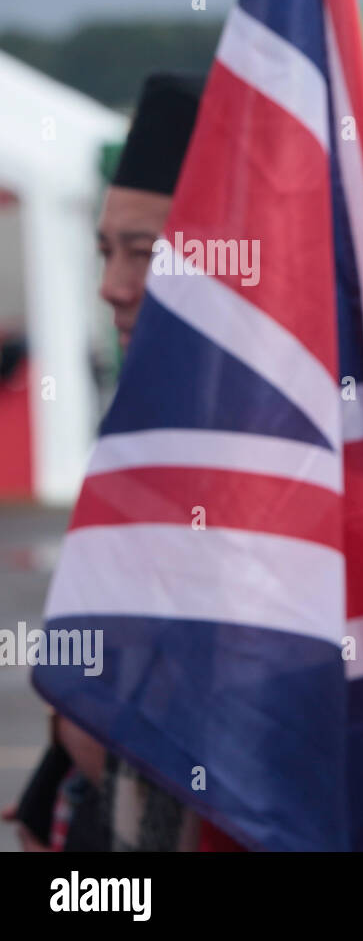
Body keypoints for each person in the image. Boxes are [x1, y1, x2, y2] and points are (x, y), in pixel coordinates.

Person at [3, 72, 228, 853]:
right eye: (104, 252)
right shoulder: (142, 431)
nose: (109, 287)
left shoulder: (283, 458)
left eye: (143, 253)